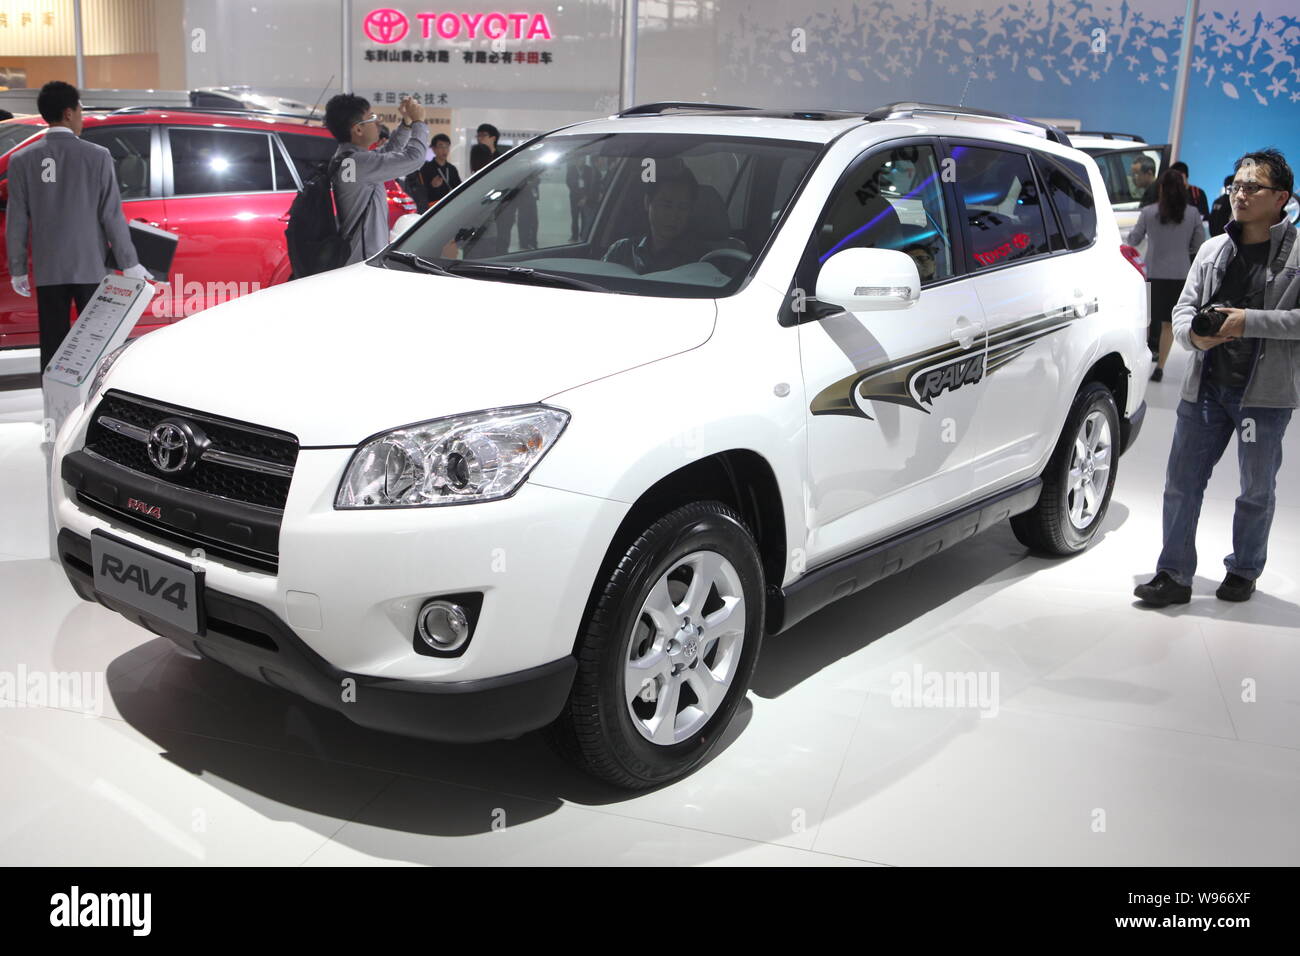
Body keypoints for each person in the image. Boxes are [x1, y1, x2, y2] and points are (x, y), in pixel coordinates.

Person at [1134, 148, 1299, 607]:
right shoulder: (1213, 248)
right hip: (1205, 388)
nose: (1241, 194)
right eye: (1236, 185)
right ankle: (1173, 574)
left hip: (1263, 395)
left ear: (1281, 197)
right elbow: (1183, 309)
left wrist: (1250, 321)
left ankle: (1244, 569)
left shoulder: (1299, 253)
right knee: (1182, 483)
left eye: (1253, 187)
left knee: (1255, 490)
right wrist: (1193, 337)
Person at [4, 81, 150, 371]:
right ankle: (92, 399)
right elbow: (111, 215)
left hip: (49, 269)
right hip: (90, 266)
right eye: (81, 109)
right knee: (96, 341)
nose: (82, 116)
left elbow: (16, 219)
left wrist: (18, 268)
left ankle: (56, 404)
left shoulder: (22, 160)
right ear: (69, 113)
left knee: (53, 341)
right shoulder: (97, 155)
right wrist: (129, 262)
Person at [324, 93, 428, 265]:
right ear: (358, 129)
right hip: (363, 261)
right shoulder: (359, 163)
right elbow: (414, 158)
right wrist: (419, 122)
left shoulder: (347, 158)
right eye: (371, 117)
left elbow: (388, 152)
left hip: (354, 258)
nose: (377, 121)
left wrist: (407, 123)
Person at [1127, 168, 1205, 381]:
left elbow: (1133, 239)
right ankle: (1160, 367)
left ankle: (1139, 361)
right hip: (1180, 274)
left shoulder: (1148, 212)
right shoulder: (1192, 214)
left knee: (1146, 320)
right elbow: (1198, 244)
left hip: (1152, 272)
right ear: (1183, 189)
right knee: (1168, 325)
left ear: (1160, 188)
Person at [602, 170, 718, 273]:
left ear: (691, 211)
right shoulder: (621, 251)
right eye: (666, 205)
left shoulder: (702, 261)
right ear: (647, 202)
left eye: (683, 207)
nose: (674, 215)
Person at [420, 133, 460, 206]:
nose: (444, 150)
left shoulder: (452, 169)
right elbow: (420, 193)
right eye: (441, 146)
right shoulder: (426, 168)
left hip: (450, 205)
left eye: (447, 146)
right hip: (433, 207)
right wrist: (432, 186)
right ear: (433, 149)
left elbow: (459, 188)